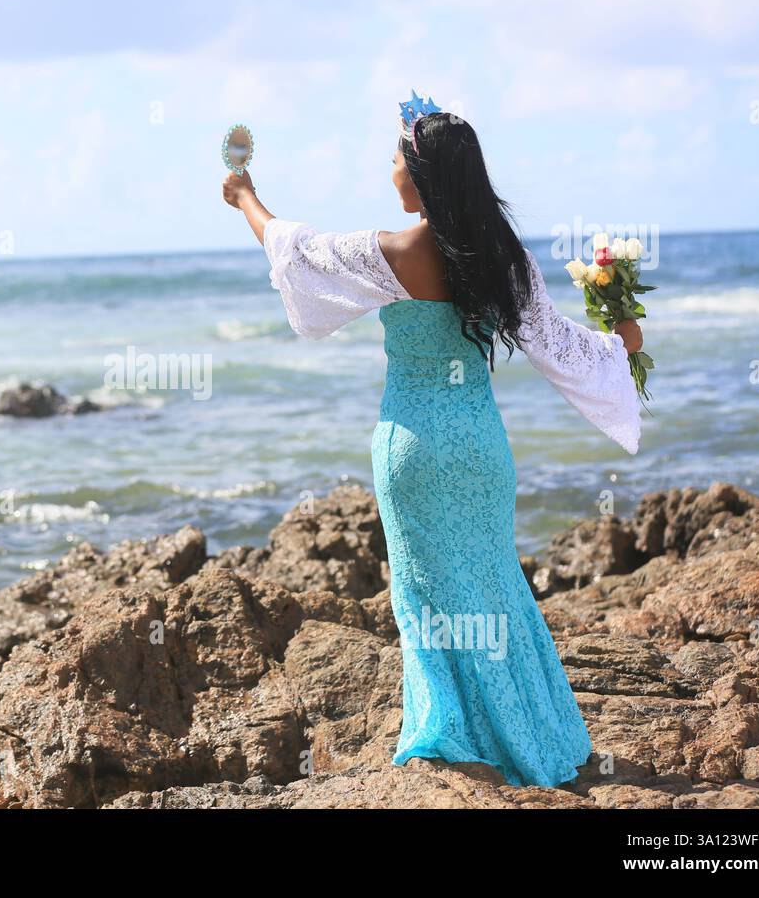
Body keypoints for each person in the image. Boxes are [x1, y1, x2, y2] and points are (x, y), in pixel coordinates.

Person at [221, 97, 642, 787]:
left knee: (424, 594)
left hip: (413, 445)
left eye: (394, 159)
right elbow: (563, 347)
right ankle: (530, 735)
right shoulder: (502, 256)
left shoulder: (396, 250)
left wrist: (245, 197)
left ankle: (449, 730)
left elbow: (297, 252)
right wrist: (623, 343)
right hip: (479, 445)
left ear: (420, 175)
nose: (389, 171)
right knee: (494, 585)